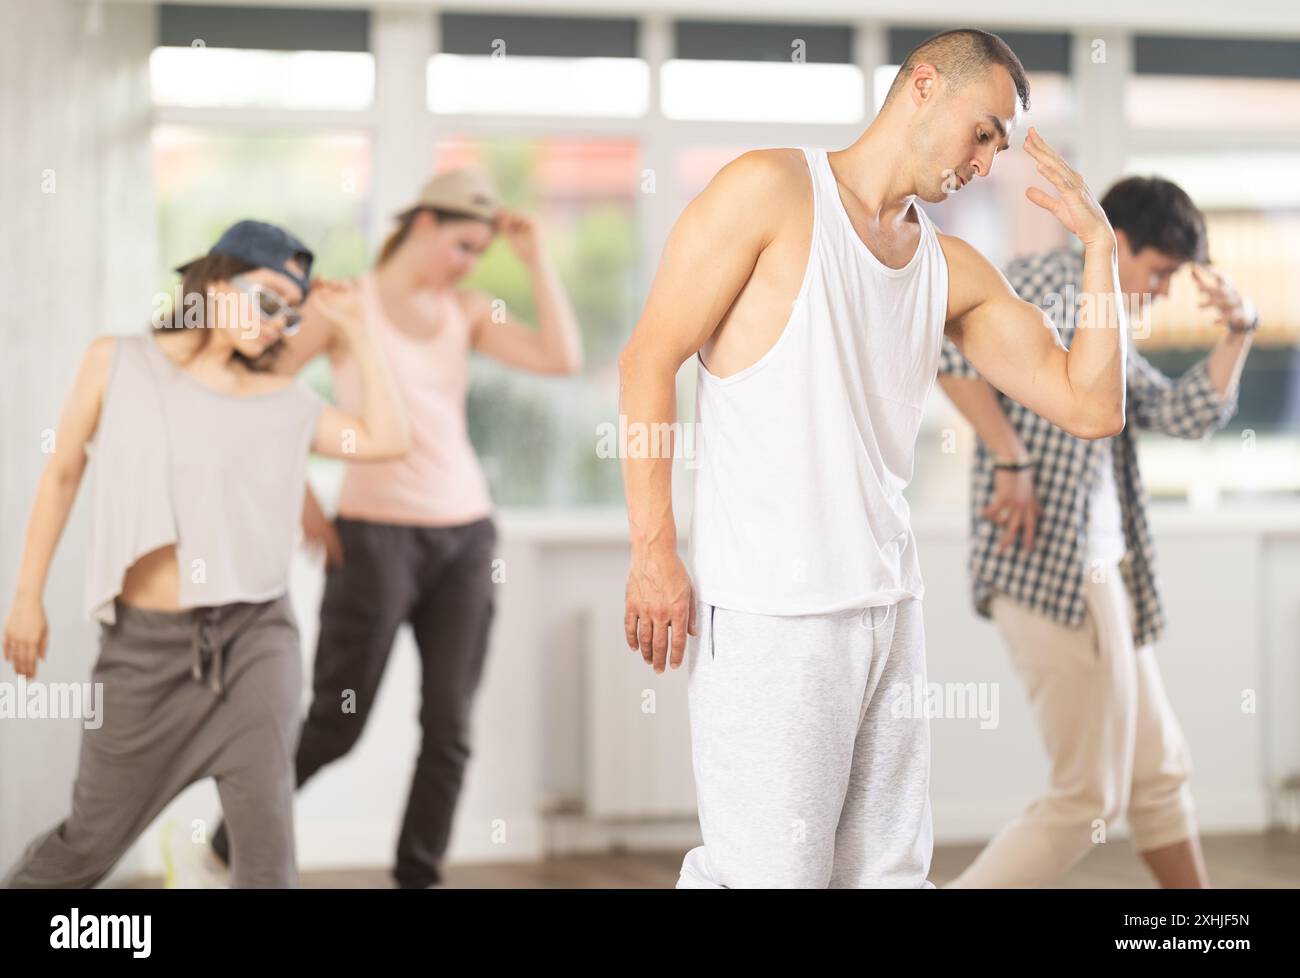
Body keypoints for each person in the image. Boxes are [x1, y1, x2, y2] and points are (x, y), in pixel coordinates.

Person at [617, 27, 1132, 889]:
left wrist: (1099, 246)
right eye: (983, 131)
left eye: (1000, 148)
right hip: (774, 615)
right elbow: (646, 362)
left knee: (889, 876)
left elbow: (1092, 405)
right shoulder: (771, 191)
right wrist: (651, 552)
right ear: (923, 85)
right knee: (767, 875)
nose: (985, 160)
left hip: (888, 607)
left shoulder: (950, 268)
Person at [1, 220, 409, 888]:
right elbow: (63, 472)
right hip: (144, 652)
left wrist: (360, 330)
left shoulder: (285, 399)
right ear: (216, 281)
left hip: (255, 640)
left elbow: (388, 440)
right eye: (268, 298)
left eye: (292, 312)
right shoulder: (118, 360)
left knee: (267, 856)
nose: (279, 322)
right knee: (86, 848)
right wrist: (26, 596)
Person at [209, 169, 583, 889]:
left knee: (450, 730)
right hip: (375, 539)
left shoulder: (468, 311)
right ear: (420, 227)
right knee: (335, 726)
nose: (469, 263)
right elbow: (259, 391)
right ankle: (229, 840)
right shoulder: (345, 305)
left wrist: (535, 259)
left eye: (480, 251)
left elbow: (561, 358)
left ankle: (419, 877)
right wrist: (303, 502)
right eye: (461, 245)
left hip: (466, 538)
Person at [937, 177, 1257, 888]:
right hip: (1045, 571)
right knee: (1086, 795)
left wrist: (1240, 331)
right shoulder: (1051, 286)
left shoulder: (1103, 309)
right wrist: (1008, 454)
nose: (1165, 291)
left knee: (1159, 771)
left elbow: (1177, 413)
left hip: (1102, 568)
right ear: (1120, 244)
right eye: (1160, 273)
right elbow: (949, 352)